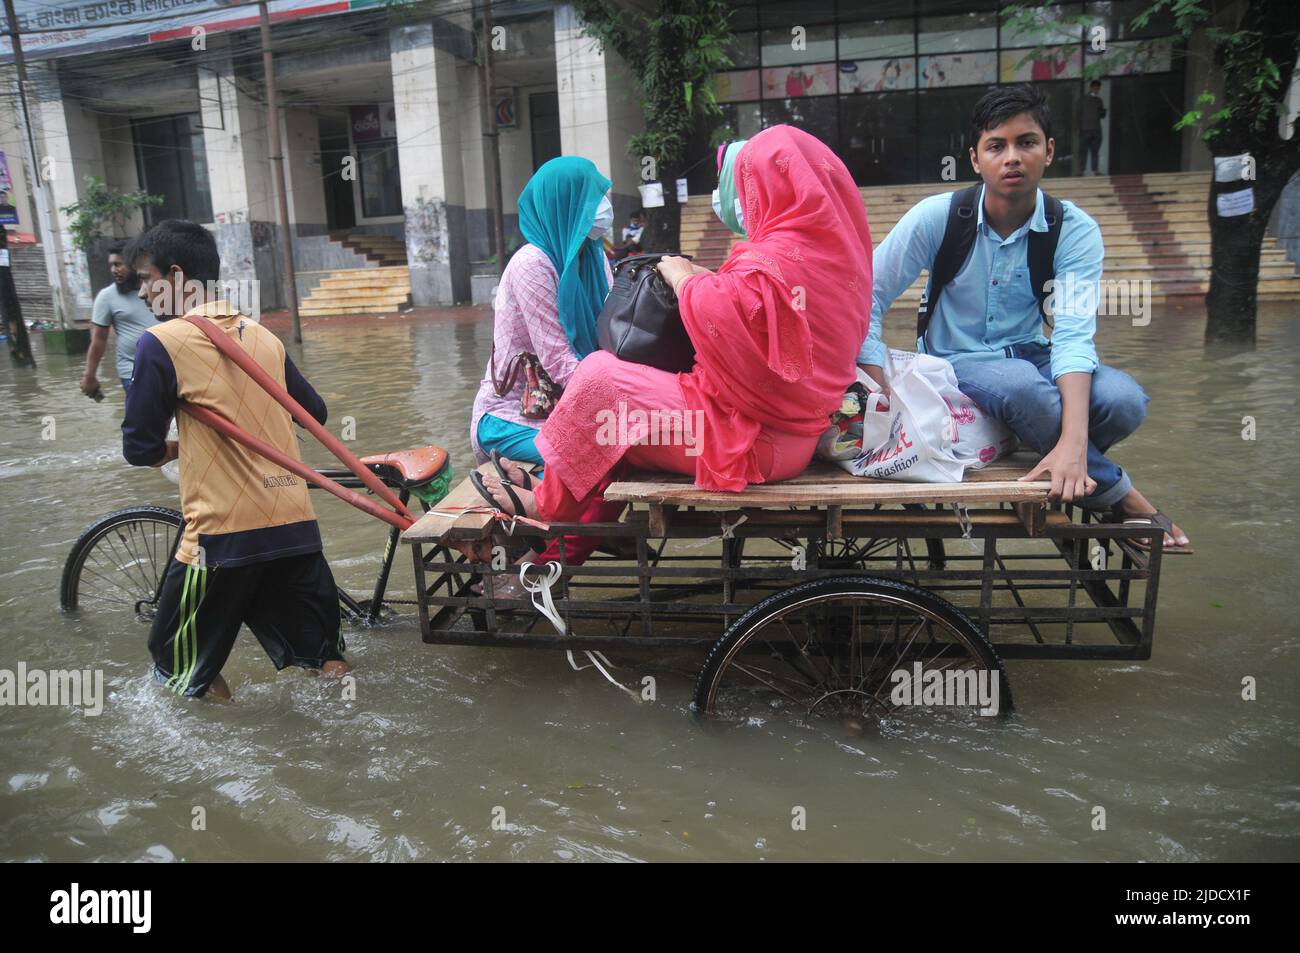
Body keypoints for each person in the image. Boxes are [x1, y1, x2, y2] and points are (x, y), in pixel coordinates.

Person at [470, 126, 873, 569]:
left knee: (601, 382)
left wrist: (685, 279)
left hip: (754, 436)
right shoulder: (840, 256)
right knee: (613, 415)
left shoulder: (771, 258)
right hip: (794, 430)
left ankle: (549, 506)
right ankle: (568, 540)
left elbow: (725, 324)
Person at [858, 84, 1189, 552]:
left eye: (1026, 142)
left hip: (1031, 355)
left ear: (1049, 151)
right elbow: (865, 295)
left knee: (1124, 400)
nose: (1011, 157)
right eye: (997, 146)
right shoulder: (938, 217)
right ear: (976, 159)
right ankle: (1122, 495)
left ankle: (1055, 449)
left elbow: (1074, 338)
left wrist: (1074, 443)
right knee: (1019, 386)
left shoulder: (1073, 229)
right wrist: (880, 386)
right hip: (954, 363)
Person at [121, 220, 349, 700]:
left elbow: (139, 449)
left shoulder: (160, 343)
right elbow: (316, 413)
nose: (141, 292)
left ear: (176, 276)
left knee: (178, 661)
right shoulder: (264, 337)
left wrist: (183, 445)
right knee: (323, 655)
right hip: (294, 524)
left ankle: (233, 759)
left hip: (221, 537)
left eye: (145, 278)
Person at [469, 156, 614, 469]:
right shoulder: (532, 265)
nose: (603, 206)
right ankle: (526, 499)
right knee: (590, 458)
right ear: (566, 203)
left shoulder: (592, 257)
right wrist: (622, 401)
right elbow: (558, 360)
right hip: (511, 417)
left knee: (624, 449)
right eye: (594, 197)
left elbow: (613, 334)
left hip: (571, 409)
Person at [80, 241, 159, 398]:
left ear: (135, 265)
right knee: (146, 420)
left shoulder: (158, 288)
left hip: (167, 368)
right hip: (132, 372)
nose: (113, 270)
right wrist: (89, 376)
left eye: (118, 264)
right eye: (111, 265)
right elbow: (99, 340)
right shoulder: (107, 297)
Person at [1078, 79, 1106, 175]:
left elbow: (1102, 115)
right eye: (1095, 88)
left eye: (1098, 88)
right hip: (1086, 129)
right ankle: (1081, 170)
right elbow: (1078, 114)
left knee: (1095, 150)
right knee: (1084, 151)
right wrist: (1078, 128)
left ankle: (1095, 170)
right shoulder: (1083, 99)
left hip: (1095, 128)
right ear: (1091, 87)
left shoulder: (1099, 100)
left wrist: (1102, 111)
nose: (1097, 90)